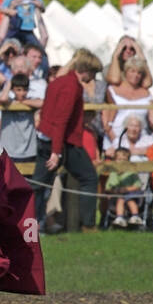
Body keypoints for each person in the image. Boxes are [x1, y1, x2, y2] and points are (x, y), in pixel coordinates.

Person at [35, 49, 102, 231]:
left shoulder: (60, 80)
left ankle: (29, 229)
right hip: (62, 143)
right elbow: (61, 121)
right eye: (93, 73)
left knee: (38, 186)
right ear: (86, 70)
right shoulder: (71, 87)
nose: (94, 77)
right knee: (89, 177)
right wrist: (56, 152)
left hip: (46, 139)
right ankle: (88, 226)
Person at [101, 56, 152, 158]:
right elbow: (105, 118)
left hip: (140, 143)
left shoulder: (147, 94)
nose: (136, 75)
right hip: (114, 140)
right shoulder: (111, 90)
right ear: (125, 72)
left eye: (139, 72)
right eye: (132, 71)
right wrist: (116, 141)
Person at [104, 145, 142, 228]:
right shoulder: (113, 173)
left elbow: (138, 186)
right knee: (121, 198)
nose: (121, 162)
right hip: (118, 195)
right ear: (115, 160)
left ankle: (135, 216)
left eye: (124, 160)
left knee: (129, 199)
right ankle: (120, 218)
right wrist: (116, 190)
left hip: (132, 194)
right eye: (119, 159)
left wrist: (126, 189)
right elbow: (108, 187)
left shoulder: (132, 172)